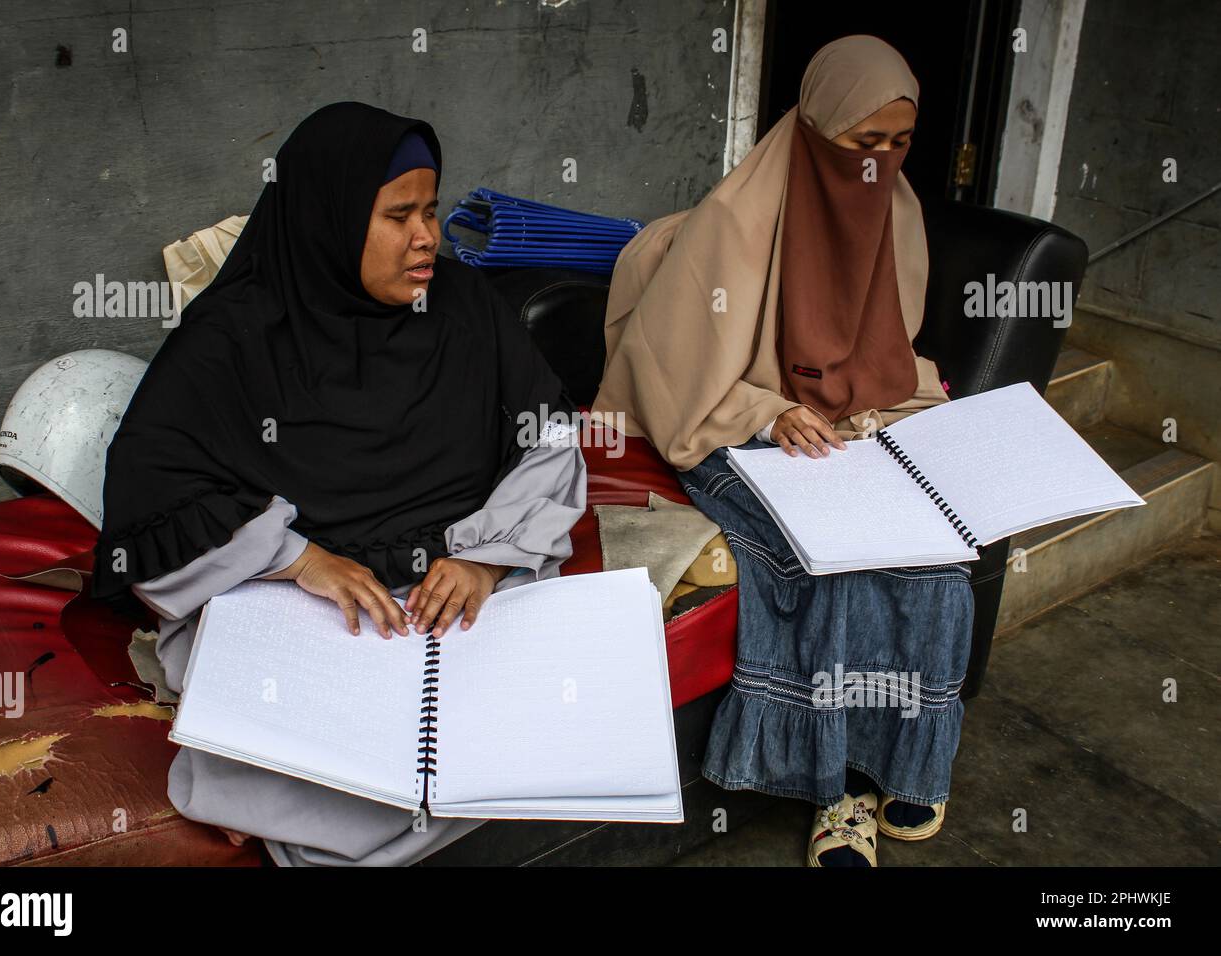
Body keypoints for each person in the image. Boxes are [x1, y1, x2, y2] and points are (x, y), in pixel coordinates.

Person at [91, 102, 587, 866]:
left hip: (455, 593)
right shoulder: (235, 338)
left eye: (430, 209)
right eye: (398, 216)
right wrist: (299, 560)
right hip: (299, 606)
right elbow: (153, 497)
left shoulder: (463, 308)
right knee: (318, 777)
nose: (426, 237)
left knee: (546, 728)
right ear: (329, 218)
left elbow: (547, 437)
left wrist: (487, 557)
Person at [592, 36, 973, 867]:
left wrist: (888, 412)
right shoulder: (736, 219)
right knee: (829, 560)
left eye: (898, 146)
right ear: (813, 129)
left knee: (935, 558)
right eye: (860, 145)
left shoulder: (897, 212)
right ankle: (836, 792)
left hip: (849, 430)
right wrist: (769, 412)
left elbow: (887, 354)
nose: (878, 167)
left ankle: (909, 761)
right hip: (731, 430)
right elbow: (679, 374)